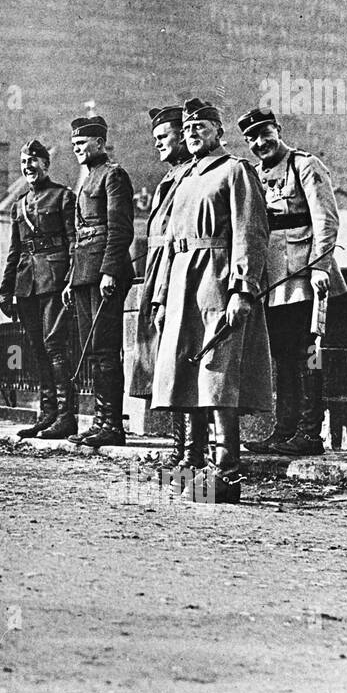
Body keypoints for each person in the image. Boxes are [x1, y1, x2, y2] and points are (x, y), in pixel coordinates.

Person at [150, 98, 273, 505]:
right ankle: (192, 465)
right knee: (185, 372)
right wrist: (163, 296)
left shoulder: (235, 171)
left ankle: (227, 474)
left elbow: (250, 232)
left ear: (219, 132)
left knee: (217, 374)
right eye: (187, 129)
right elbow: (170, 244)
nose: (193, 134)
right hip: (184, 281)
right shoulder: (184, 179)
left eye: (201, 127)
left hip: (216, 281)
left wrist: (242, 289)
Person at [238, 107, 347, 456]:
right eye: (252, 138)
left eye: (265, 133)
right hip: (273, 282)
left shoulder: (305, 166)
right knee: (284, 357)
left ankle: (310, 433)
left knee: (310, 353)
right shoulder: (255, 175)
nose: (259, 142)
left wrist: (320, 267)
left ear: (278, 130)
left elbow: (326, 221)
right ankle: (284, 431)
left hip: (304, 276)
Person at [127, 105, 207, 472]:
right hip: (159, 272)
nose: (158, 144)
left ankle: (194, 449)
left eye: (164, 137)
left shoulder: (196, 175)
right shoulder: (172, 177)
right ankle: (179, 445)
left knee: (185, 358)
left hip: (182, 273)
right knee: (165, 359)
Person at [62, 115, 135, 448]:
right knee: (93, 350)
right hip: (84, 275)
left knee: (105, 350)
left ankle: (112, 426)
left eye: (83, 143)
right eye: (74, 144)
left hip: (104, 275)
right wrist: (70, 280)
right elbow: (79, 237)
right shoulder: (88, 179)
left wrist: (109, 270)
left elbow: (120, 229)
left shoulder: (114, 176)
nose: (77, 148)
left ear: (100, 143)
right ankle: (100, 421)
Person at [0, 139, 77, 439]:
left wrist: (70, 279)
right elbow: (14, 250)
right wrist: (6, 290)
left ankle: (66, 418)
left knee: (56, 346)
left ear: (46, 164)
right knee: (38, 349)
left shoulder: (63, 197)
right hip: (27, 284)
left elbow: (73, 243)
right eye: (24, 163)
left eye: (34, 161)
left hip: (54, 281)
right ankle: (47, 415)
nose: (28, 167)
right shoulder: (19, 205)